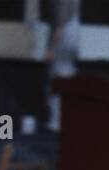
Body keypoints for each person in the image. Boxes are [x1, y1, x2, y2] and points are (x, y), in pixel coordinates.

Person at [43, 0, 81, 132]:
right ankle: (65, 119)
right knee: (66, 76)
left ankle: (57, 121)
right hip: (72, 32)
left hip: (65, 35)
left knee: (58, 79)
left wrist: (51, 48)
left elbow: (60, 24)